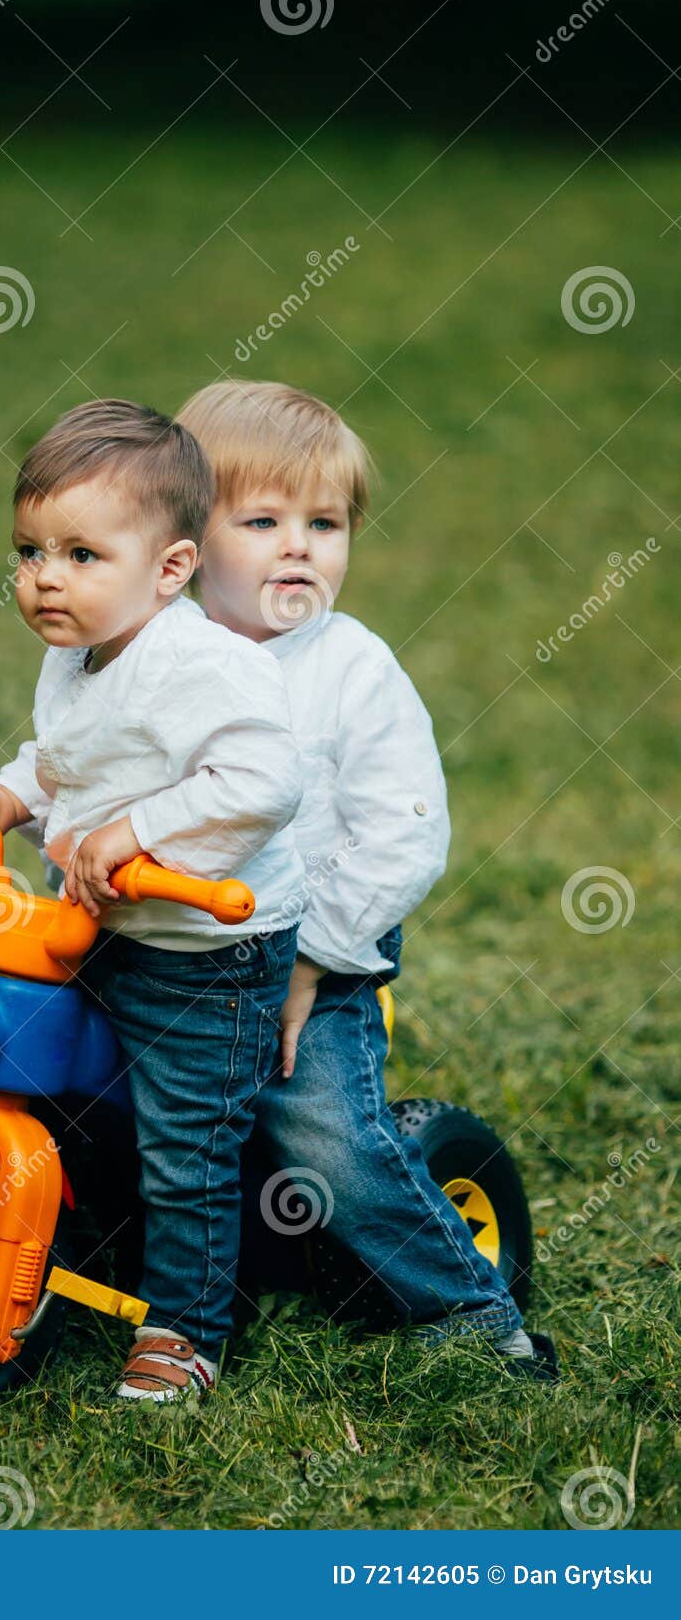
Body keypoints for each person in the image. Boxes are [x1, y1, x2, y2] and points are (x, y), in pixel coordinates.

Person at [0, 398, 306, 1401]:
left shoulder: (205, 665)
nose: (45, 576)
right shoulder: (77, 650)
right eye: (28, 549)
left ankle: (184, 1330)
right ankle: (65, 1228)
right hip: (105, 926)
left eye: (81, 553)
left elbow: (261, 785)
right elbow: (70, 762)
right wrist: (8, 795)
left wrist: (133, 834)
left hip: (205, 951)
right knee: (69, 1090)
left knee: (186, 1141)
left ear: (169, 570)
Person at [177, 378, 556, 1380]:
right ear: (183, 540)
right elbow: (89, 765)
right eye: (261, 520)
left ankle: (475, 1317)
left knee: (326, 1141)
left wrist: (309, 956)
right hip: (165, 939)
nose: (297, 544)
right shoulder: (152, 655)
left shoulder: (352, 671)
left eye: (324, 522)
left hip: (315, 945)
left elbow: (403, 832)